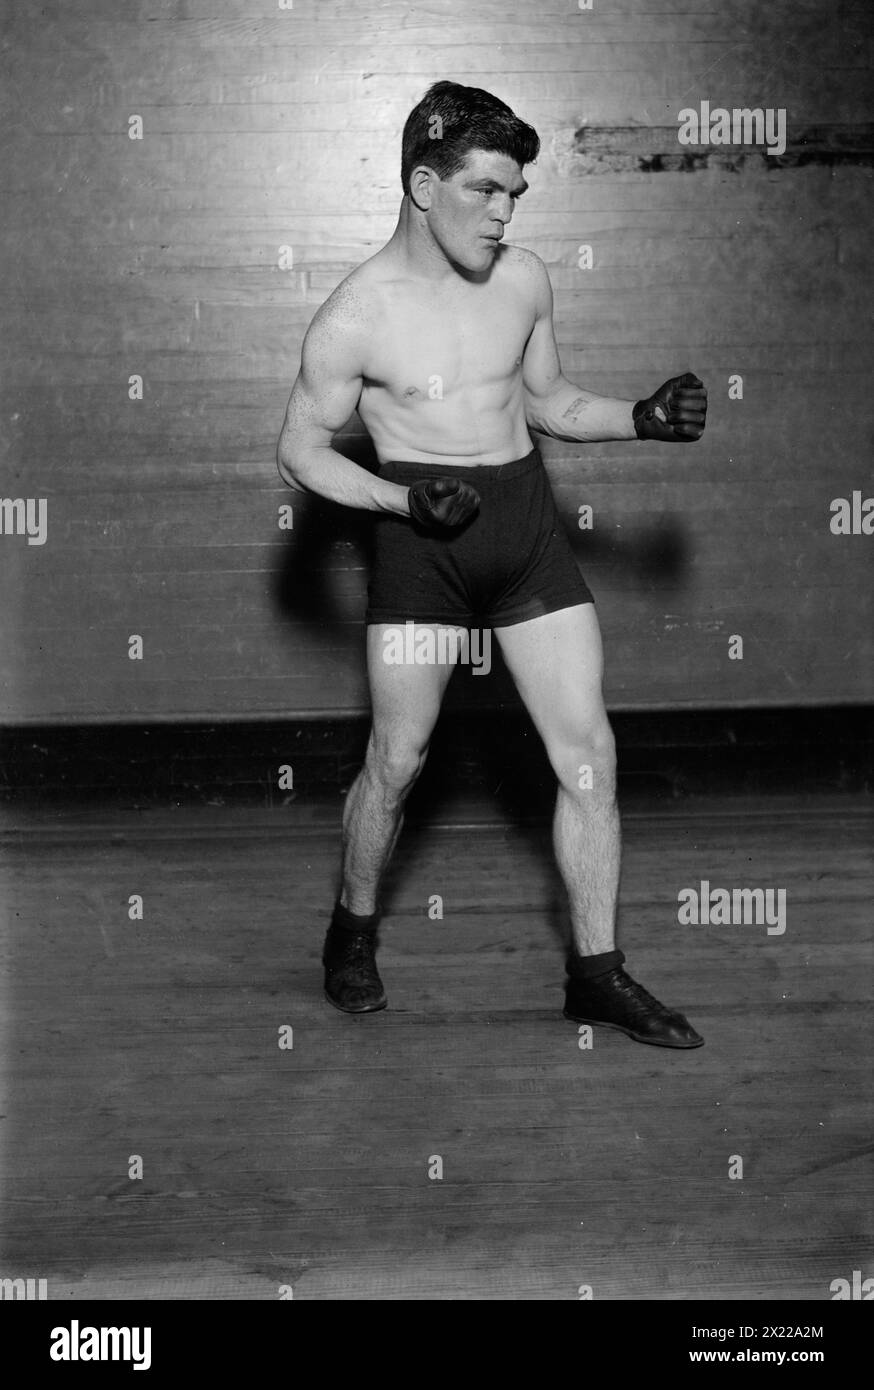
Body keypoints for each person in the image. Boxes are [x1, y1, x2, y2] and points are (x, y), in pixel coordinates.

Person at [277, 81, 708, 1047]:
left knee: (589, 755)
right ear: (424, 186)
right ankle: (352, 931)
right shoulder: (354, 316)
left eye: (517, 193)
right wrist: (396, 500)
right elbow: (299, 451)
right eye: (486, 191)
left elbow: (550, 402)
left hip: (525, 534)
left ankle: (596, 973)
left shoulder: (524, 280)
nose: (506, 212)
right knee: (398, 759)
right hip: (421, 548)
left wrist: (639, 417)